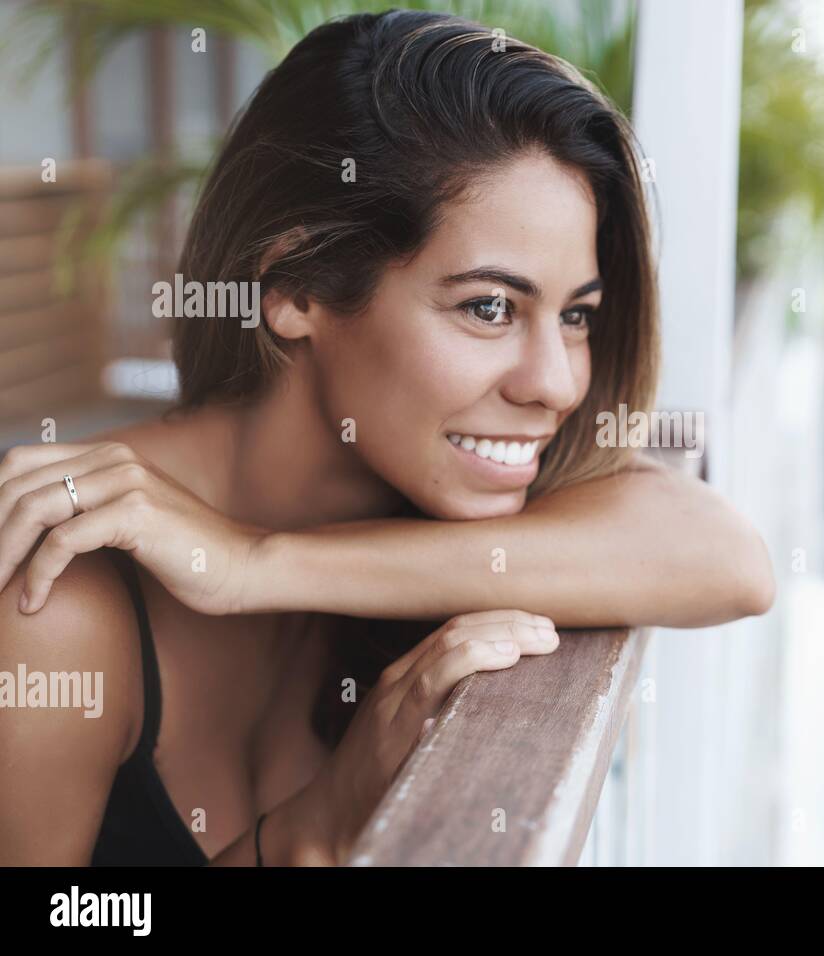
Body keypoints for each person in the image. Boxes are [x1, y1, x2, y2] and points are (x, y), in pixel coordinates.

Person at [0, 11, 774, 866]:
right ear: (294, 289)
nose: (555, 383)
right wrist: (310, 833)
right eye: (489, 307)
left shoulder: (427, 497)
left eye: (578, 315)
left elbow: (730, 561)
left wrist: (259, 563)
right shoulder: (58, 597)